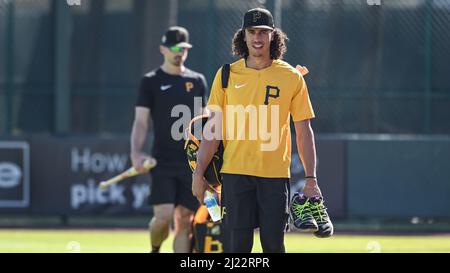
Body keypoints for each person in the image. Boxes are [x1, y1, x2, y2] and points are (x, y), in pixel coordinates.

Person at [192, 8, 333, 253]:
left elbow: (304, 132)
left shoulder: (291, 77)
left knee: (274, 247)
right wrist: (198, 173)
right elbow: (212, 131)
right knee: (237, 248)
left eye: (263, 32)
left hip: (275, 176)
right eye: (252, 32)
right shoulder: (226, 75)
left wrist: (311, 178)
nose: (257, 38)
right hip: (235, 174)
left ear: (273, 36)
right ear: (243, 36)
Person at [131, 26, 208, 253]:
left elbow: (204, 122)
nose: (180, 53)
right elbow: (141, 122)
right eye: (175, 48)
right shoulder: (151, 81)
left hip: (190, 164)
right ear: (163, 49)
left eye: (184, 48)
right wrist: (135, 153)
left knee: (185, 220)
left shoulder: (197, 80)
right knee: (163, 217)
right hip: (162, 162)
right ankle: (155, 248)